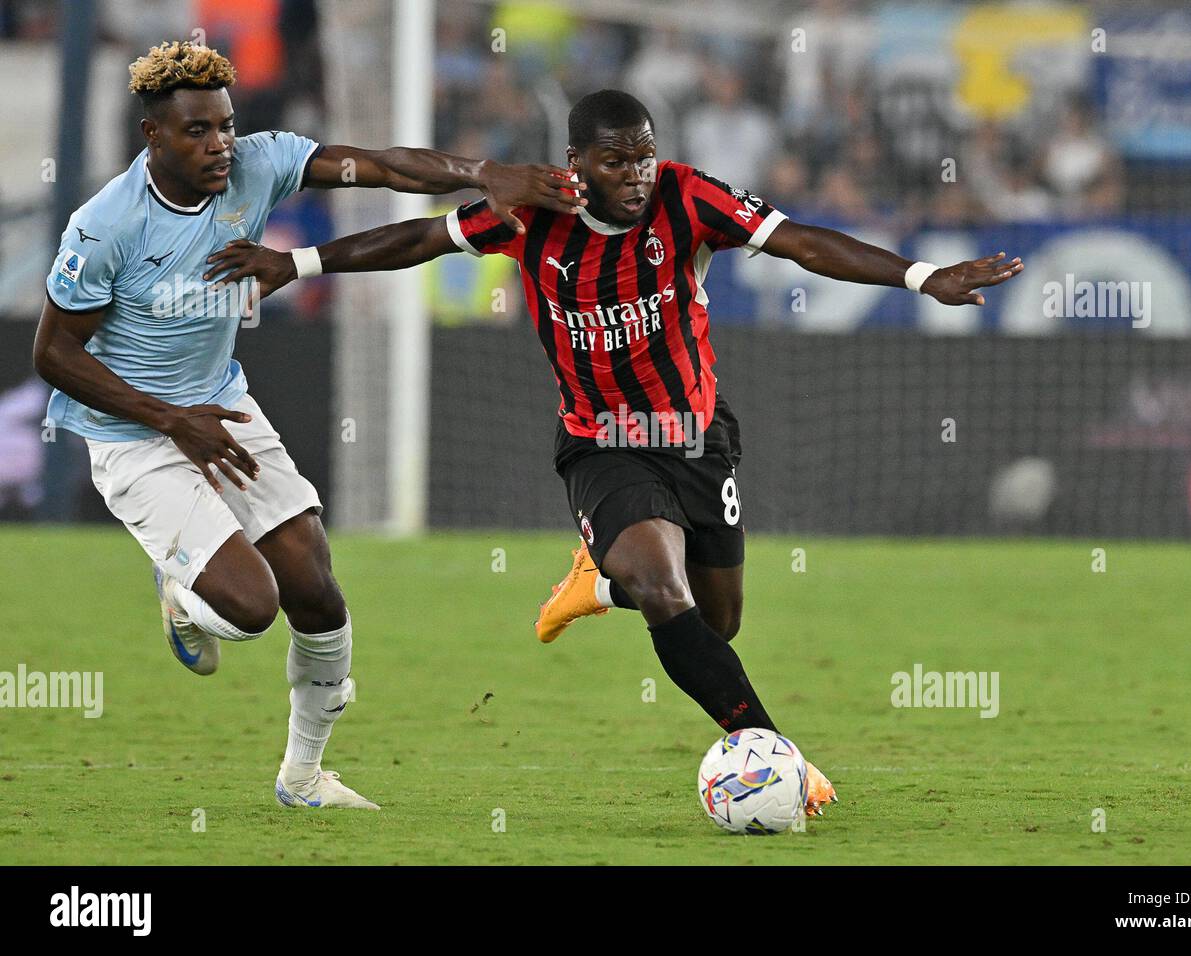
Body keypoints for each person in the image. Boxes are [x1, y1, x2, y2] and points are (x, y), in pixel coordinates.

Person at [206, 89, 1023, 816]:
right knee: (663, 587)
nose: (636, 172)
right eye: (617, 158)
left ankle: (597, 580)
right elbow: (420, 239)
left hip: (697, 436)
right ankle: (778, 755)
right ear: (578, 164)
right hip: (602, 446)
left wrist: (923, 277)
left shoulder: (689, 198)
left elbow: (802, 242)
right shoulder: (535, 215)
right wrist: (297, 262)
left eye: (645, 154)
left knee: (718, 620)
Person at [32, 41, 586, 811]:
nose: (220, 144)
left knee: (317, 591)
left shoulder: (261, 163)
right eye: (197, 131)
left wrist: (479, 173)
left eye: (225, 125)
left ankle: (303, 777)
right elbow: (52, 352)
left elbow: (385, 166)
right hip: (135, 435)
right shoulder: (107, 227)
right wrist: (169, 420)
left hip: (222, 407)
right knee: (250, 609)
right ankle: (180, 590)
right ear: (152, 136)